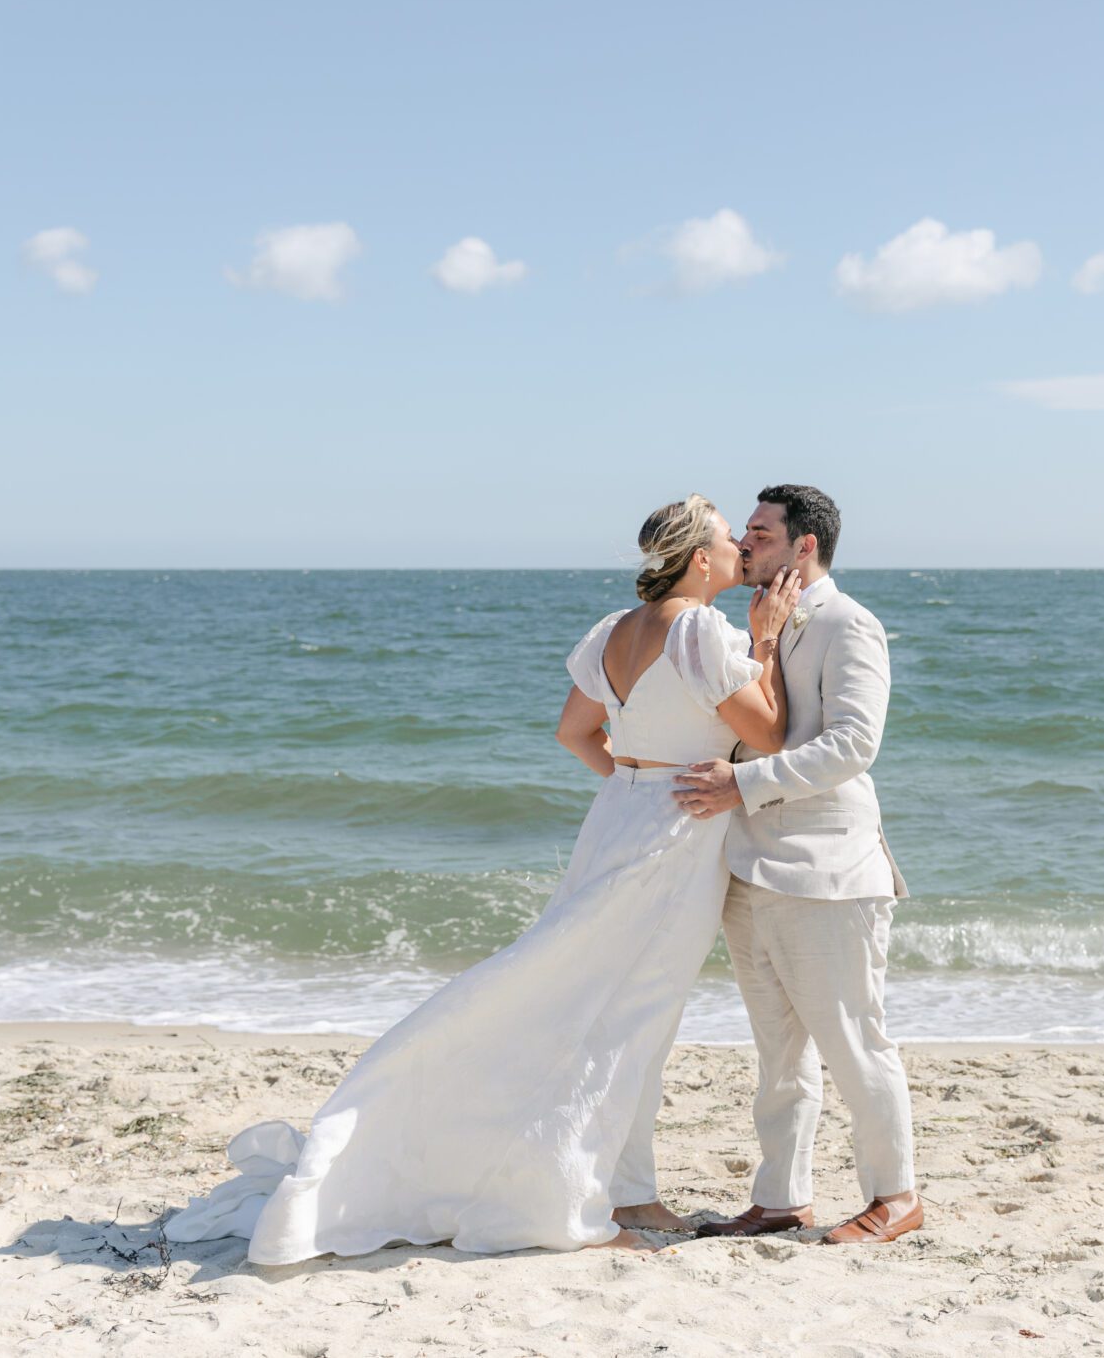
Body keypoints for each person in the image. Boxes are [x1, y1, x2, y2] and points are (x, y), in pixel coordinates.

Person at [162, 495, 803, 1261]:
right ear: (699, 559)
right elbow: (768, 733)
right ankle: (577, 1196)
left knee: (609, 1006)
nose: (739, 546)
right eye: (727, 538)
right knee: (632, 1015)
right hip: (675, 834)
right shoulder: (702, 628)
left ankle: (633, 1190)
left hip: (617, 819)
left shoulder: (612, 631)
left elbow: (575, 733)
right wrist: (764, 645)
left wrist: (636, 780)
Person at [672, 484, 922, 1246]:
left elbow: (854, 744)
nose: (744, 544)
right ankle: (782, 1196)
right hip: (750, 866)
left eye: (759, 533)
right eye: (744, 533)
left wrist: (741, 783)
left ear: (803, 545)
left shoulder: (852, 623)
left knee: (853, 1039)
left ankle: (897, 1195)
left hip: (831, 870)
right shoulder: (754, 622)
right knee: (778, 1052)